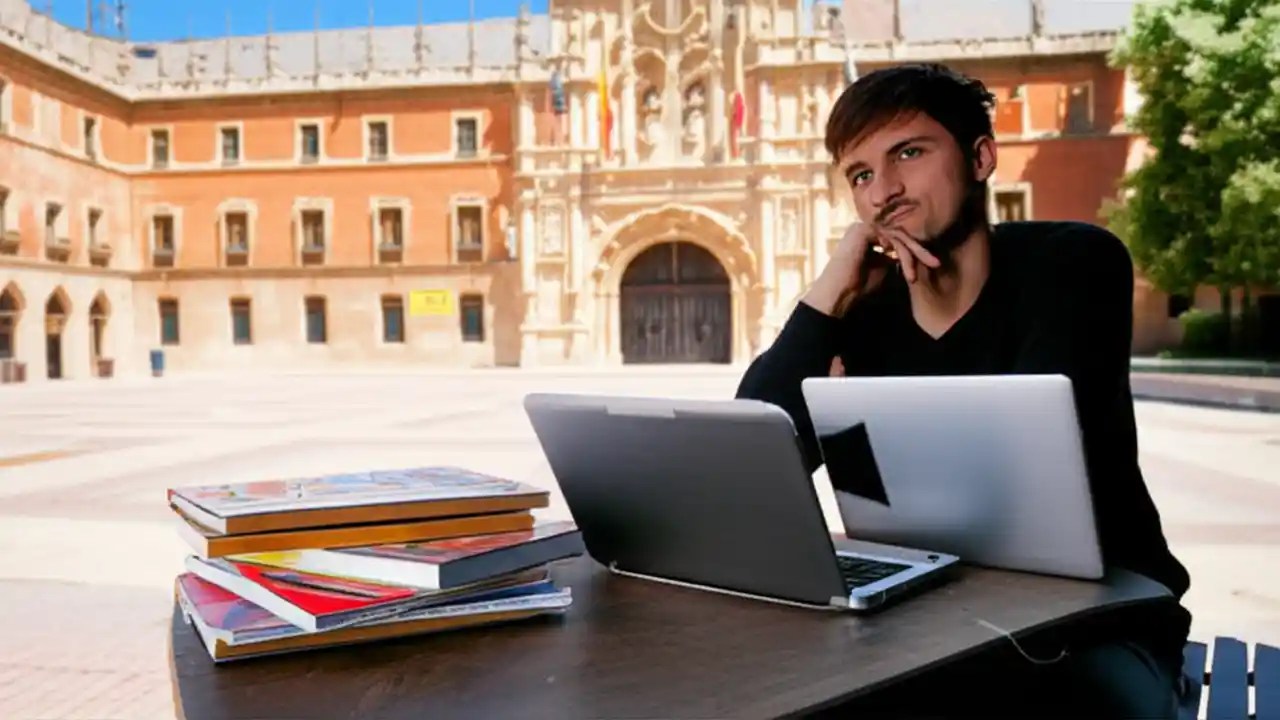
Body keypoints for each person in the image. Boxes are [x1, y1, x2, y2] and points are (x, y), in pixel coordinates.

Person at [735, 63, 1194, 717]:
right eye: (860, 174)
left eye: (909, 153)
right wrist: (825, 296)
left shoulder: (1070, 264)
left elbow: (1030, 470)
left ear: (981, 157)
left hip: (1098, 620)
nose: (883, 192)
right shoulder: (861, 312)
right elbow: (753, 468)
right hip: (925, 624)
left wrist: (860, 432)